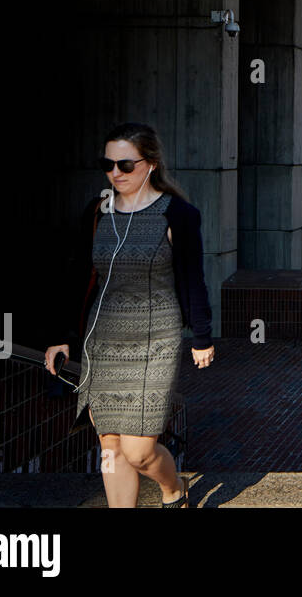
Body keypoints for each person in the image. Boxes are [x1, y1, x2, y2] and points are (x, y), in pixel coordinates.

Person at [44, 121, 213, 508]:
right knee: (111, 445)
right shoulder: (97, 212)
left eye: (125, 165)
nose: (114, 173)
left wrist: (201, 336)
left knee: (139, 452)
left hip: (156, 338)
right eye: (108, 164)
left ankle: (173, 489)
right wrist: (62, 335)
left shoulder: (178, 214)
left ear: (151, 164)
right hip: (102, 339)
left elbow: (192, 278)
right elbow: (76, 275)